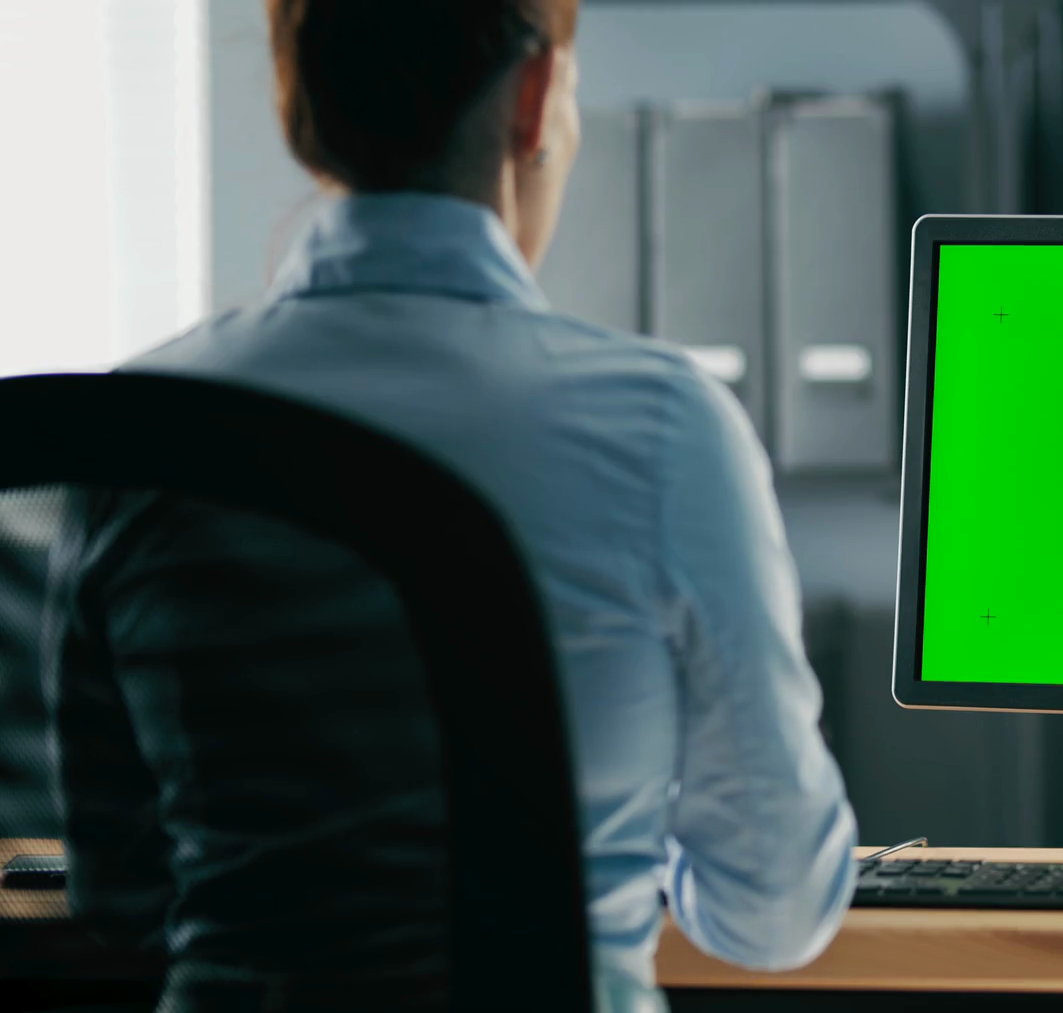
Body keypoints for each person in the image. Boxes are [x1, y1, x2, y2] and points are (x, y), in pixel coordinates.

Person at [46, 1, 856, 1009]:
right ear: (533, 100)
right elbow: (775, 911)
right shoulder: (659, 425)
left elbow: (119, 893)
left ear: (294, 102)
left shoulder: (144, 422)